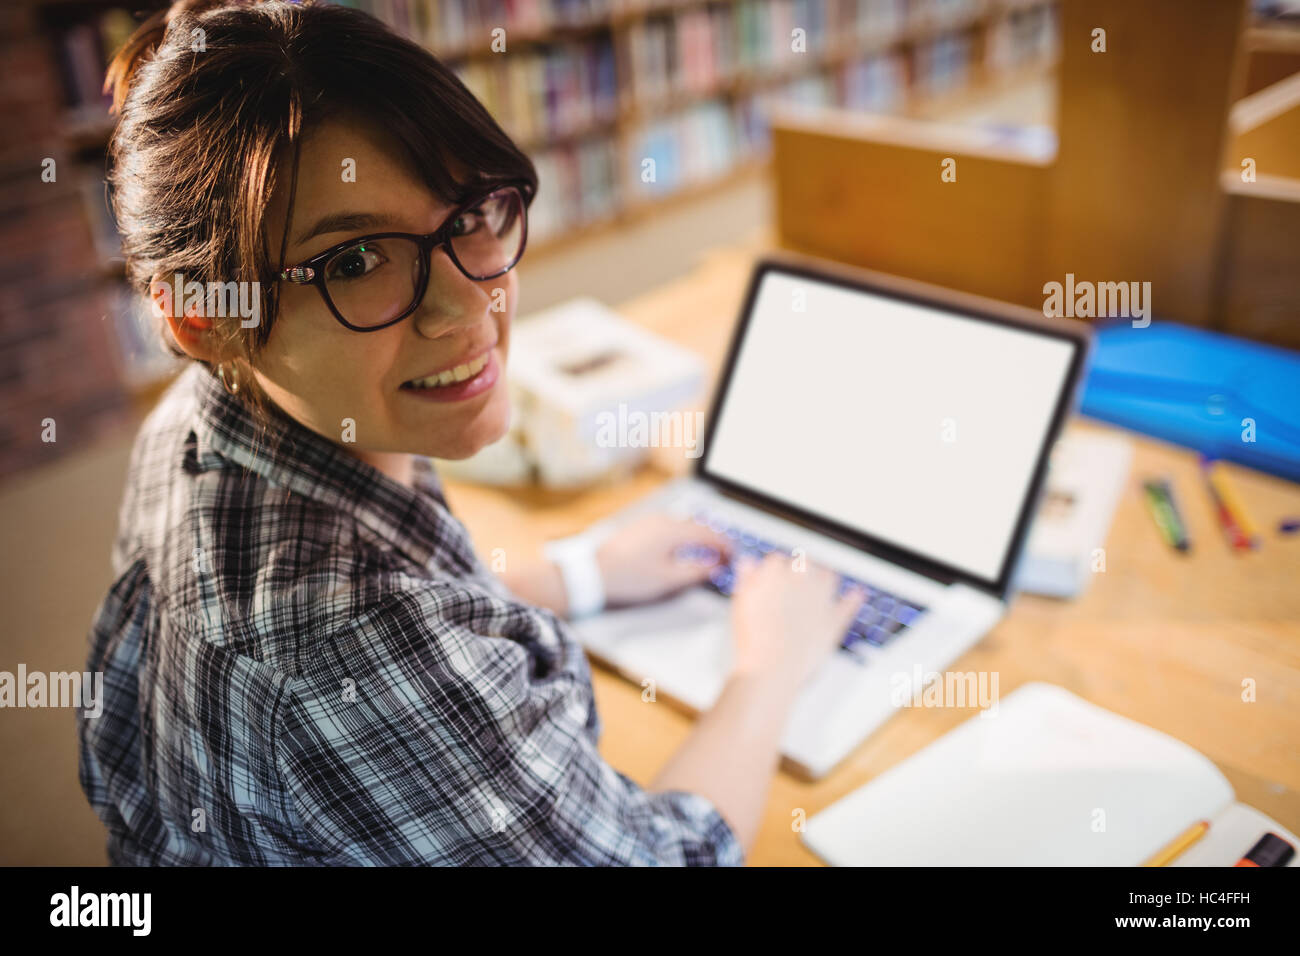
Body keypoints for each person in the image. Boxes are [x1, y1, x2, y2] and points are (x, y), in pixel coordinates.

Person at [79, 0, 864, 866]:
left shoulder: (195, 420)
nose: (469, 309)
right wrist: (770, 666)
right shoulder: (351, 656)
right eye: (355, 261)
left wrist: (577, 574)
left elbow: (392, 580)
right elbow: (662, 857)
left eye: (469, 215)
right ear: (201, 317)